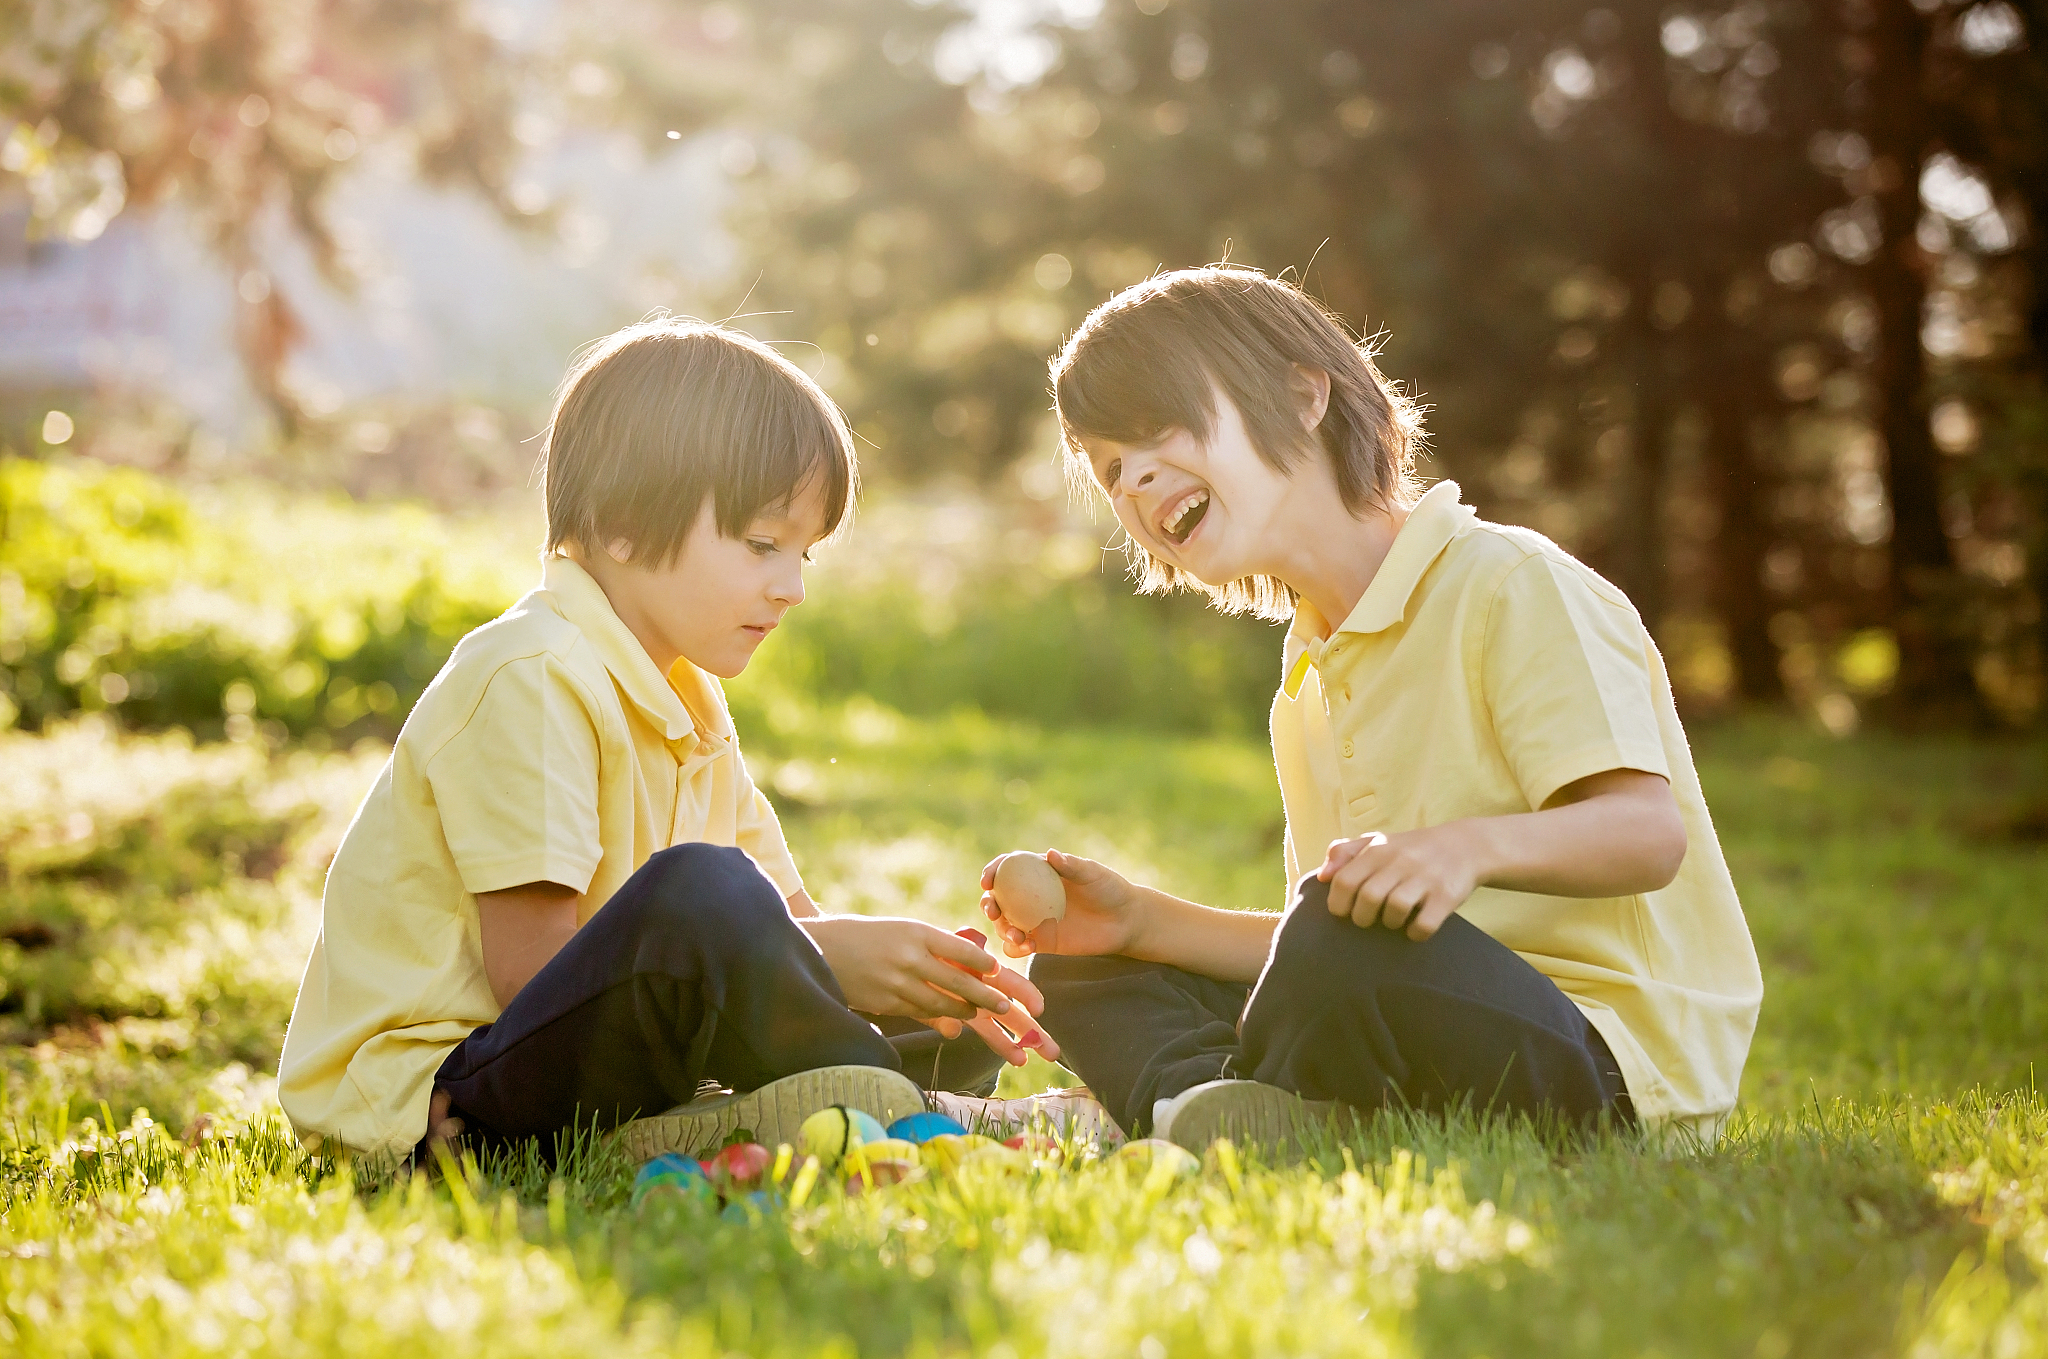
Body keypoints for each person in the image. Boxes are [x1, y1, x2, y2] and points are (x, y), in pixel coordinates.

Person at [983, 266, 1763, 1152]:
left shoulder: (1507, 583)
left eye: (1158, 427)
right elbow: (1313, 949)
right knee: (1087, 966)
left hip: (1601, 1062)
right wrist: (1139, 924)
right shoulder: (1309, 671)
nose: (1136, 479)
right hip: (1402, 1012)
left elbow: (1646, 833)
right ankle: (1207, 1112)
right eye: (1112, 467)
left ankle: (1216, 1100)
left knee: (1335, 936)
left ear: (1303, 394)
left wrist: (1465, 849)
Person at [279, 318, 1065, 1164]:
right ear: (621, 523)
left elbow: (785, 932)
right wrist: (827, 958)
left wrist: (907, 969)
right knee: (702, 887)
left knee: (912, 998)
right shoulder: (534, 674)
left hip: (590, 1066)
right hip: (445, 1108)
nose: (792, 586)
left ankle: (866, 1087)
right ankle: (905, 1113)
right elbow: (534, 984)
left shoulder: (690, 700)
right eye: (764, 543)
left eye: (804, 553)